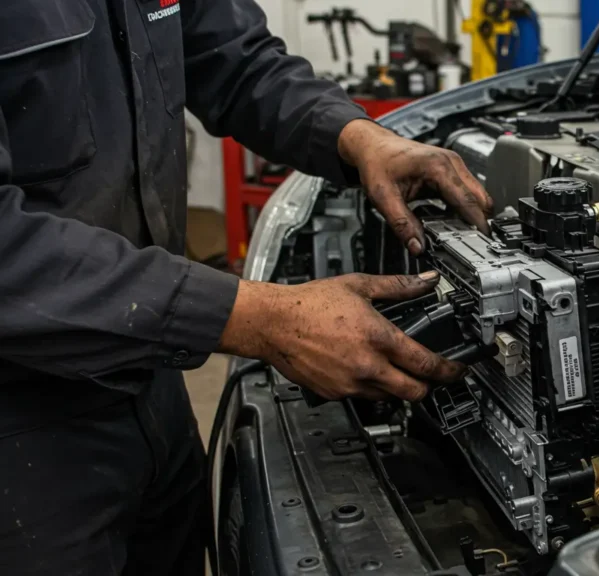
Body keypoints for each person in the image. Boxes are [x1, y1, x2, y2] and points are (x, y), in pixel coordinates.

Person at [0, 0, 492, 573]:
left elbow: (235, 61)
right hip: (21, 424)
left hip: (147, 369)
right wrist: (254, 317)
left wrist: (357, 136)